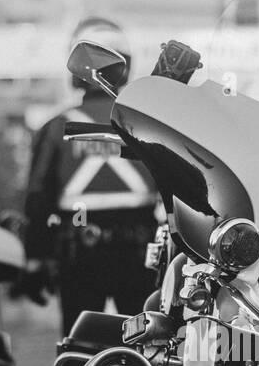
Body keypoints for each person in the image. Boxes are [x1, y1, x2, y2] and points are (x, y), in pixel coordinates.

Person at [21, 17, 158, 333]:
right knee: (145, 345)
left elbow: (38, 200)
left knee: (79, 344)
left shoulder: (56, 128)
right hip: (140, 251)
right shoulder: (147, 125)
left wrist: (34, 260)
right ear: (125, 67)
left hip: (79, 250)